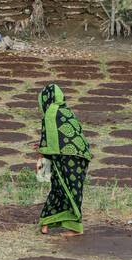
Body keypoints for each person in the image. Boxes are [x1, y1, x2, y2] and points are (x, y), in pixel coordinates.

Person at [35, 83, 91, 236]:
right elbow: (61, 136)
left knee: (64, 190)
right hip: (80, 156)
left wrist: (41, 155)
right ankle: (46, 223)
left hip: (68, 157)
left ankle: (74, 228)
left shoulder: (51, 113)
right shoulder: (66, 111)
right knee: (67, 189)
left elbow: (49, 142)